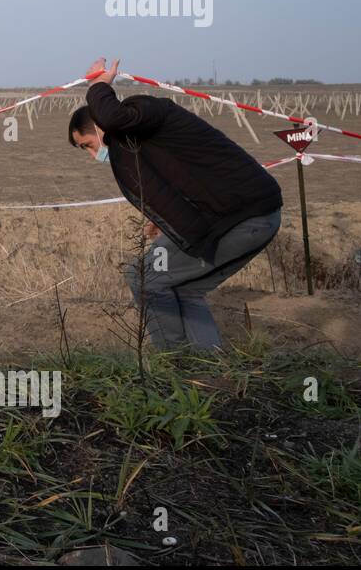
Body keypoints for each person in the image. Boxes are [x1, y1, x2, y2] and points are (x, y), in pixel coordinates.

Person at [68, 58, 283, 351]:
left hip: (238, 218)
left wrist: (98, 87)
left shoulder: (145, 109)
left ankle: (174, 362)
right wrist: (163, 219)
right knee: (185, 288)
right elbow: (177, 178)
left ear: (98, 123)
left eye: (88, 145)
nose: (93, 155)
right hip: (252, 216)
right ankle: (207, 366)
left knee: (145, 278)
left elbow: (114, 118)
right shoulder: (139, 139)